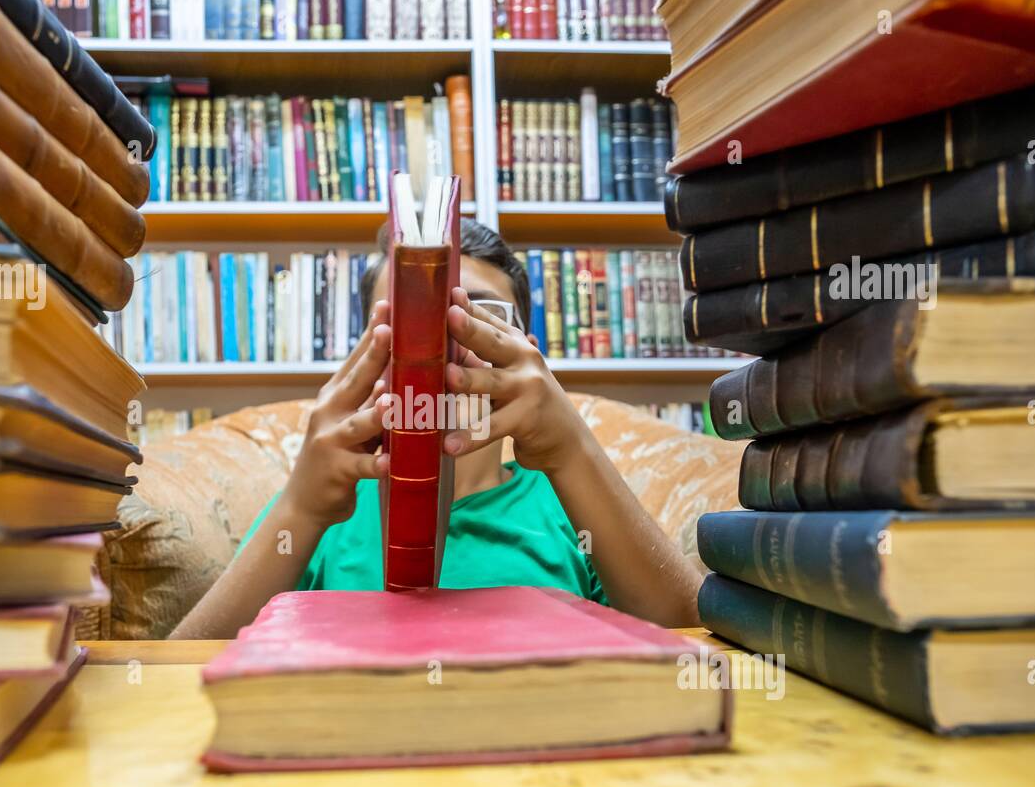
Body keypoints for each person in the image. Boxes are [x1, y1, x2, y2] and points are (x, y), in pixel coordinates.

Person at [172, 221, 701, 638]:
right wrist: (301, 509)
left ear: (527, 352)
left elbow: (691, 646)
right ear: (371, 355)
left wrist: (571, 449)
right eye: (411, 321)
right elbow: (177, 677)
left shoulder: (572, 501)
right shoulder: (324, 507)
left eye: (478, 320)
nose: (441, 349)